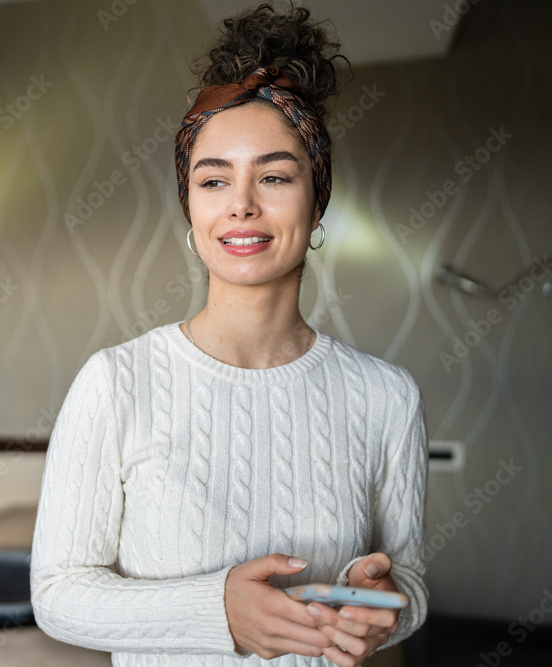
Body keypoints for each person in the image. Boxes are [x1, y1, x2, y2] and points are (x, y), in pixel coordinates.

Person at [30, 5, 428, 666]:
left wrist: (384, 606)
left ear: (317, 200)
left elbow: (408, 586)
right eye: (214, 179)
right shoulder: (115, 383)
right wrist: (217, 610)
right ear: (190, 205)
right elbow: (57, 595)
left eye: (274, 176)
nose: (241, 204)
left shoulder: (388, 396)